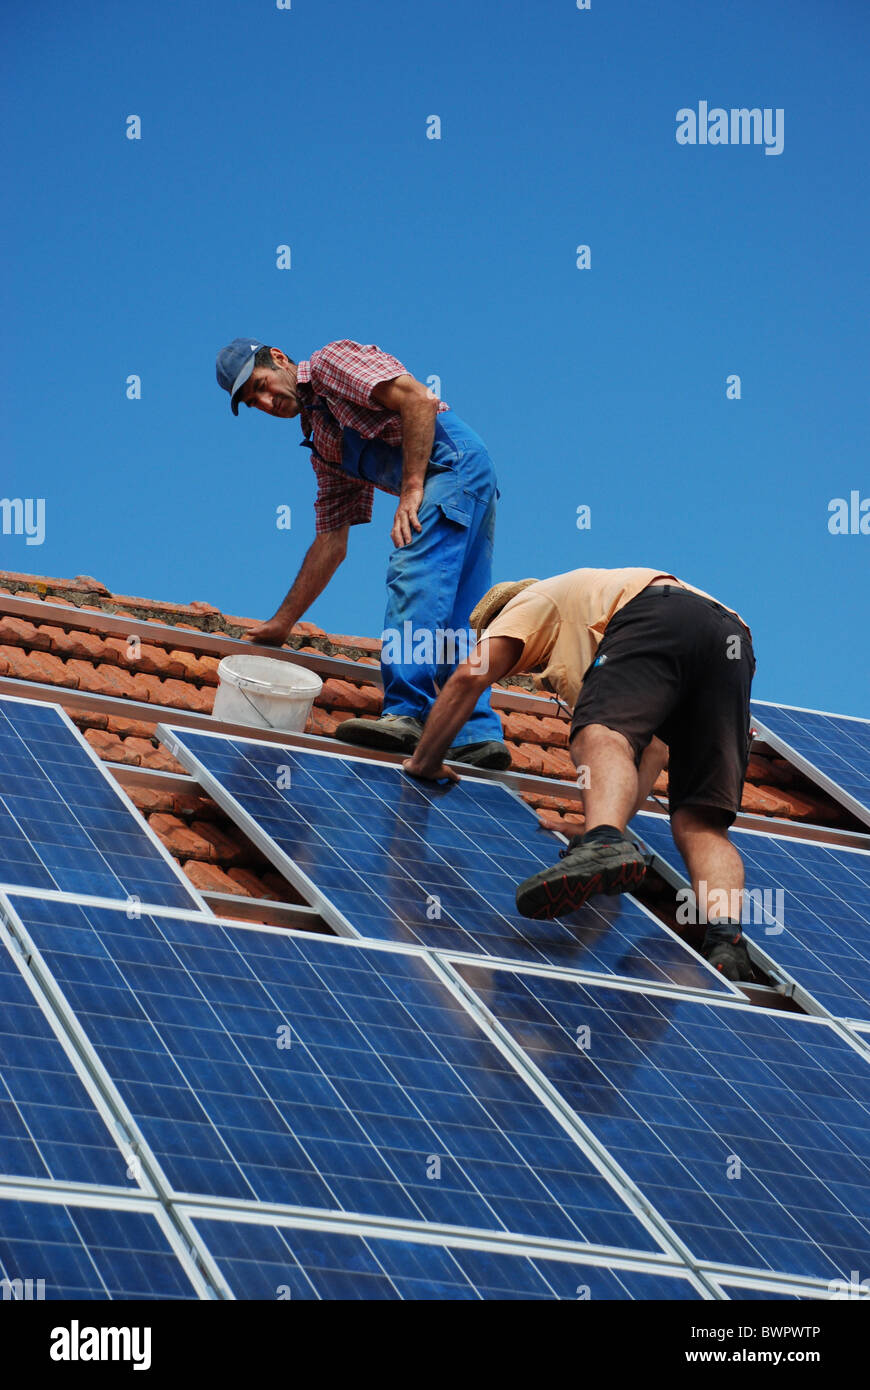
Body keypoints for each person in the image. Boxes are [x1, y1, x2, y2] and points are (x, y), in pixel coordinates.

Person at [403, 567, 757, 982]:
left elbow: (469, 676)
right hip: (732, 639)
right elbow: (655, 749)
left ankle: (605, 845)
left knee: (599, 733)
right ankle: (726, 940)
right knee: (701, 820)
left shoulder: (526, 604)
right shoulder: (592, 640)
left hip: (661, 611)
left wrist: (424, 761)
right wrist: (599, 822)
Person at [215, 337, 508, 770]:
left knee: (415, 572)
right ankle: (472, 731)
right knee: (457, 610)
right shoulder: (324, 444)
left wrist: (411, 488)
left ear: (279, 359)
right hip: (469, 479)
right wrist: (281, 624)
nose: (265, 401)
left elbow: (418, 400)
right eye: (252, 400)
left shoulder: (331, 365)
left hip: (450, 466)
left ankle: (407, 713)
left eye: (261, 384)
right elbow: (331, 543)